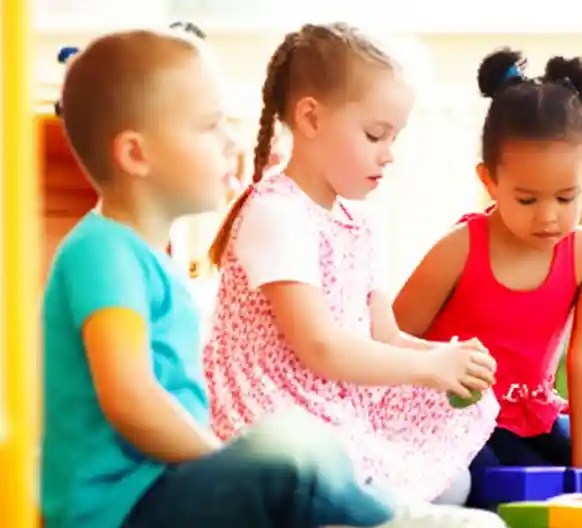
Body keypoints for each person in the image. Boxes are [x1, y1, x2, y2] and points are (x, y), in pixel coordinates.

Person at [41, 28, 398, 528]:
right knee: (286, 456)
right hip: (116, 509)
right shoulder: (103, 254)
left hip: (156, 490)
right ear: (136, 155)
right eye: (210, 126)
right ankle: (396, 521)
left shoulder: (142, 255)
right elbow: (130, 397)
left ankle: (377, 513)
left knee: (303, 439)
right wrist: (223, 463)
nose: (231, 142)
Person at [203, 23, 499, 515]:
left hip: (337, 398)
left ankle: (372, 506)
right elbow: (320, 347)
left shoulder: (356, 221)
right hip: (278, 414)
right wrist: (428, 368)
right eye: (374, 135)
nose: (389, 153)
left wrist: (447, 358)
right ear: (311, 118)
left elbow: (384, 336)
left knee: (454, 475)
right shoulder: (277, 212)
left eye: (393, 137)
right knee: (398, 482)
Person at [394, 48, 582, 508]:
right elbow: (390, 340)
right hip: (453, 419)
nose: (548, 218)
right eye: (526, 200)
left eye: (566, 198)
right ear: (490, 181)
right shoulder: (459, 247)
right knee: (492, 487)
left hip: (532, 416)